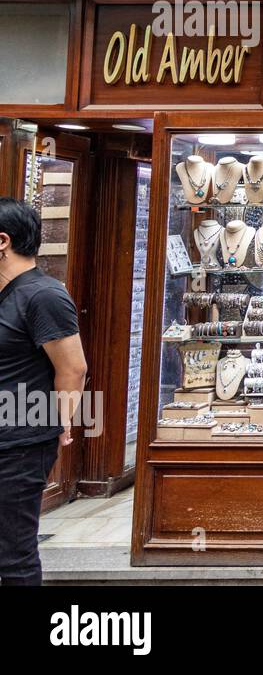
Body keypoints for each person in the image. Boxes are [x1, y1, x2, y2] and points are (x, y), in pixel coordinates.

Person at [0, 198, 86, 586]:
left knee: (12, 556)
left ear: (2, 241)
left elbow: (73, 368)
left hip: (18, 446)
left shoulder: (43, 295)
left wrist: (62, 420)